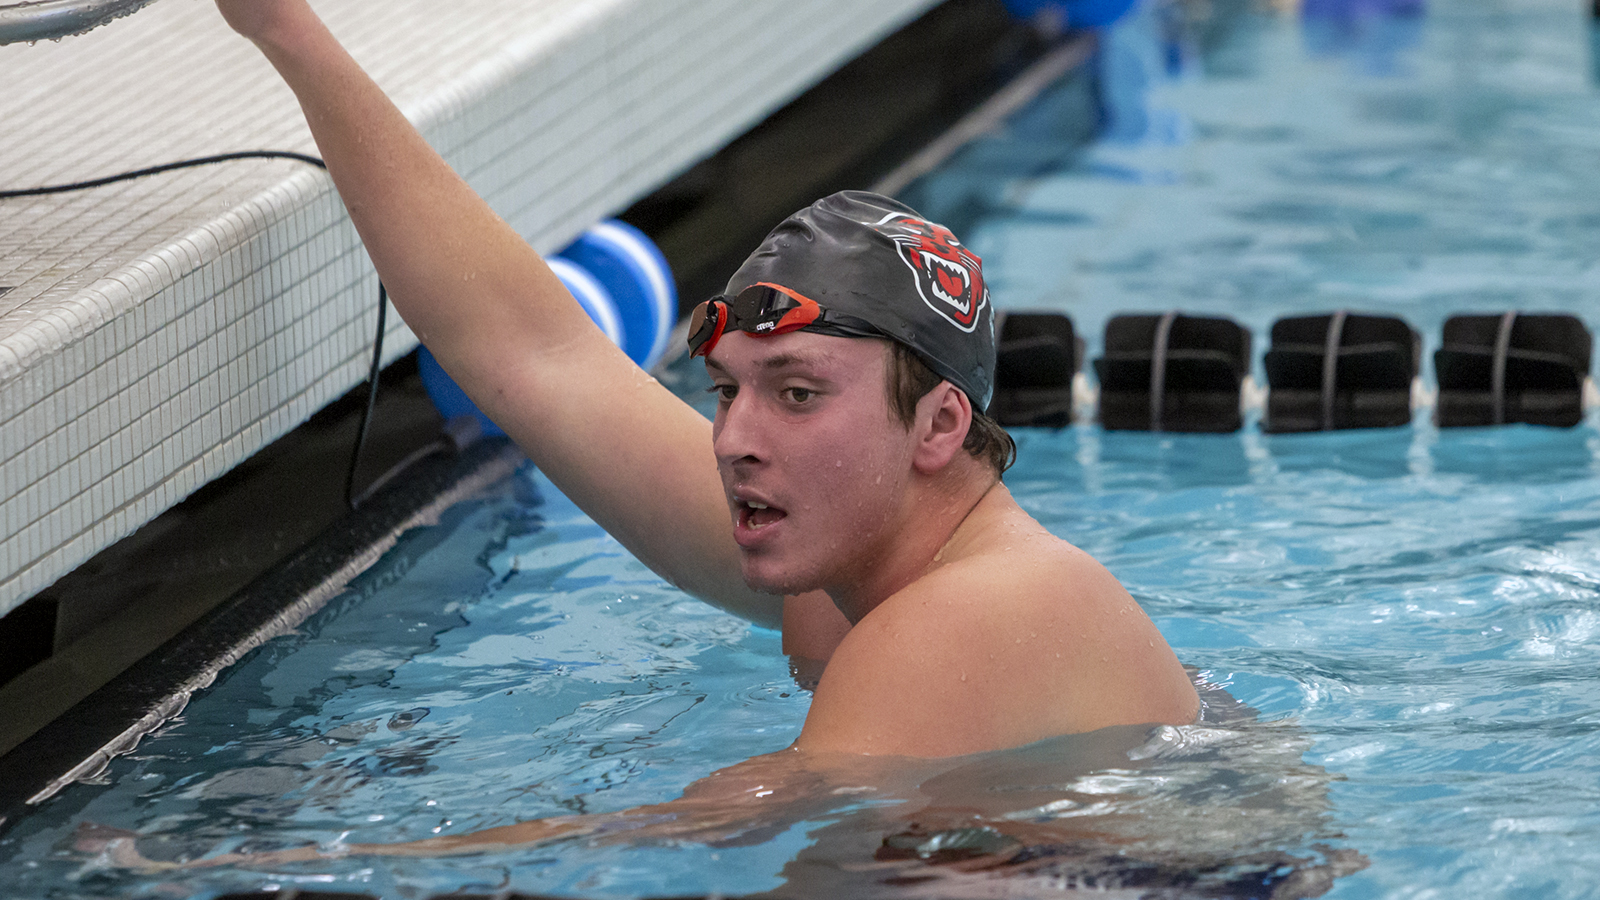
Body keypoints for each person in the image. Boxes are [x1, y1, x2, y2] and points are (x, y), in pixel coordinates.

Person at [139, 0, 1201, 865]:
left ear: (935, 425)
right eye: (727, 390)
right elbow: (534, 356)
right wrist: (286, 28)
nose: (735, 436)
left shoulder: (963, 617)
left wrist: (251, 872)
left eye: (794, 392)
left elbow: (694, 833)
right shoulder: (846, 560)